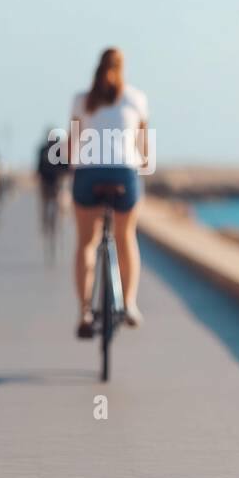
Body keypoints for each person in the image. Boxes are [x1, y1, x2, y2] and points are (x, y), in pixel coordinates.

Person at [69, 47, 149, 337]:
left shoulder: (81, 99)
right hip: (124, 175)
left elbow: (72, 146)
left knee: (86, 243)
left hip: (88, 174)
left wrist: (73, 170)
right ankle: (129, 304)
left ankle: (85, 312)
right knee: (126, 237)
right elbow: (144, 152)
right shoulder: (137, 98)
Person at [36, 127, 69, 233]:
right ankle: (45, 223)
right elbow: (39, 167)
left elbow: (66, 166)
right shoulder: (43, 150)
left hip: (57, 180)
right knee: (45, 203)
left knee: (59, 201)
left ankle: (58, 221)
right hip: (46, 180)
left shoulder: (60, 150)